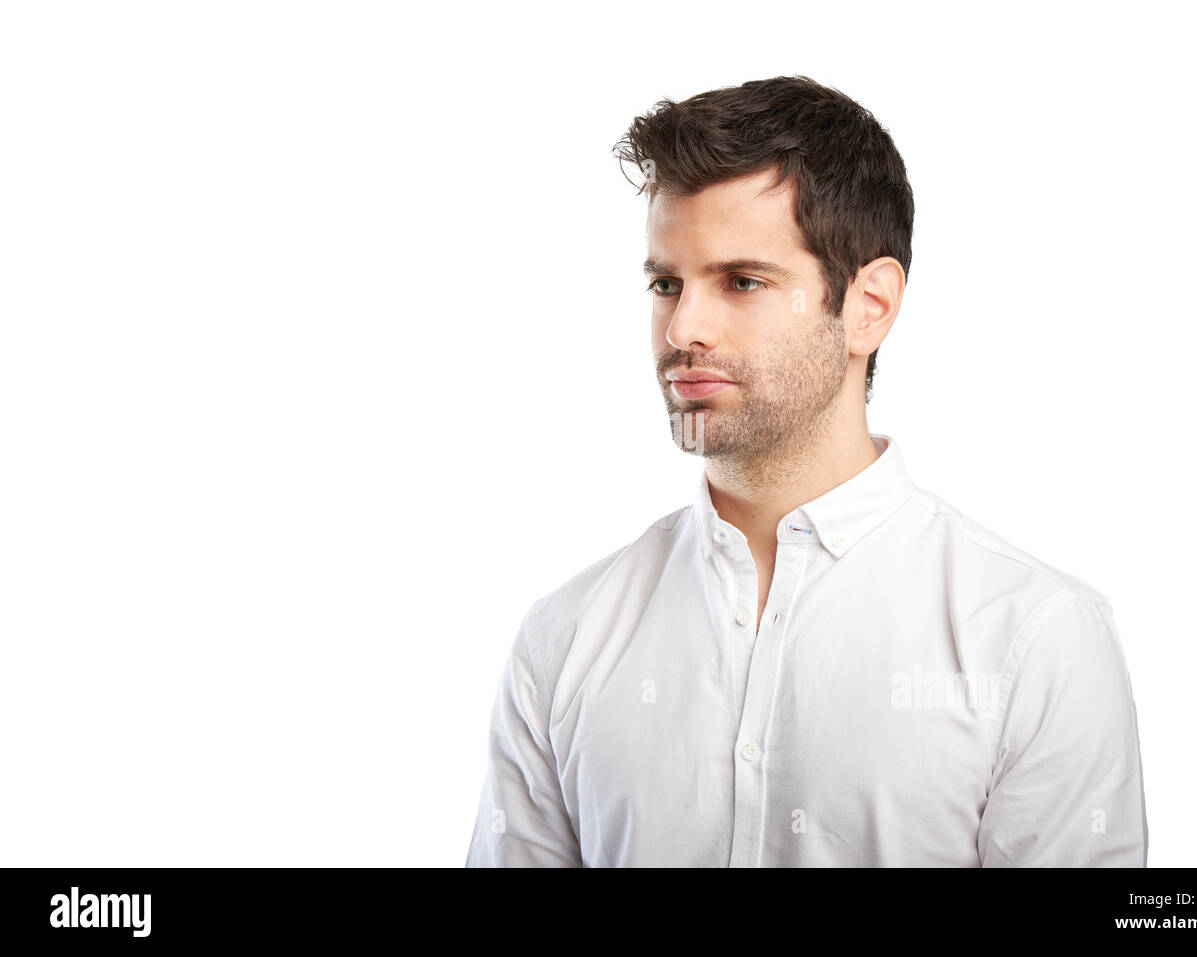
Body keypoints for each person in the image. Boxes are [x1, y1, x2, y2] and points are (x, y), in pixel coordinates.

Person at [465, 75, 1148, 867]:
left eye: (742, 281)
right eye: (666, 284)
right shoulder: (564, 641)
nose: (683, 327)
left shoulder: (1035, 642)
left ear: (870, 306)